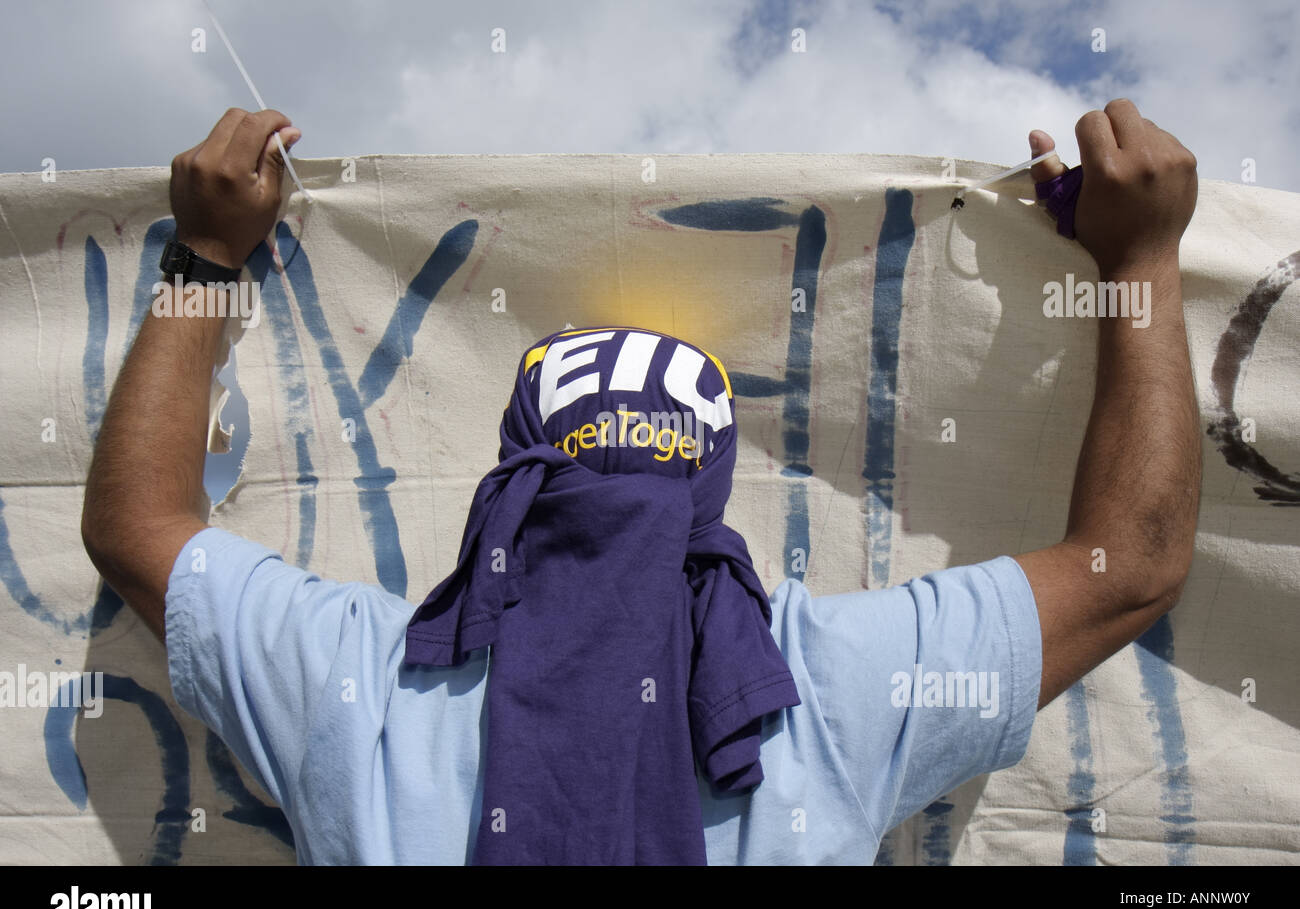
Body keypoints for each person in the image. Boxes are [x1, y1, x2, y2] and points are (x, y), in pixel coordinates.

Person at [80, 99, 1201, 864]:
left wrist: (208, 257)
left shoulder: (350, 683)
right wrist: (1140, 262)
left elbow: (137, 524)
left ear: (510, 482)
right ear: (707, 491)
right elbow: (1132, 561)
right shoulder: (829, 686)